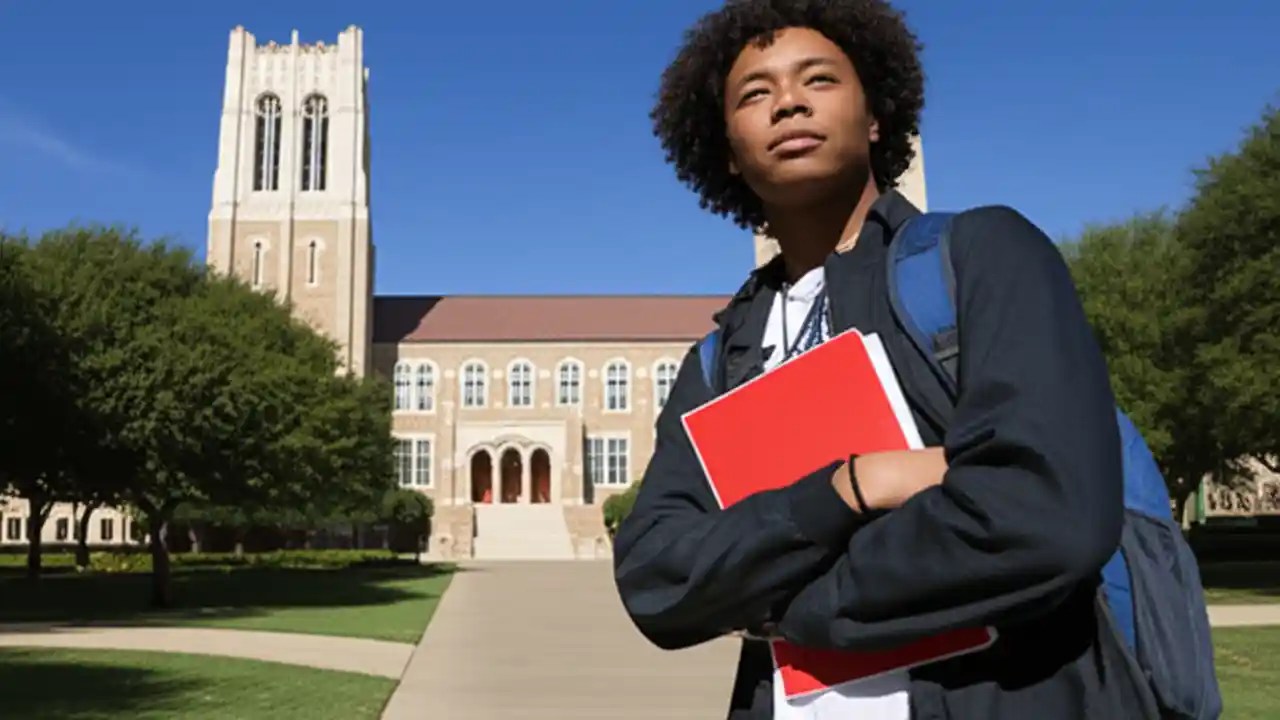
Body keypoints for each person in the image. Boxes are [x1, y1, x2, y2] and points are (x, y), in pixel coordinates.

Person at [612, 1, 1157, 718]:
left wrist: (788, 609)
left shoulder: (982, 258)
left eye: (820, 80)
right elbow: (657, 578)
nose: (789, 103)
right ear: (726, 152)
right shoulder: (719, 359)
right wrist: (853, 486)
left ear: (876, 118)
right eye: (755, 93)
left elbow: (1045, 517)